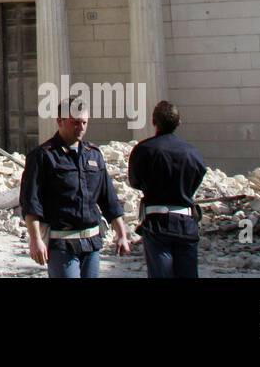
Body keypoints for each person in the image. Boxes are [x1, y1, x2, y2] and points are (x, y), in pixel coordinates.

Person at [19, 101, 131, 277]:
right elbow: (31, 203)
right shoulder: (43, 156)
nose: (81, 127)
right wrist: (35, 240)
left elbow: (109, 199)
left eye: (84, 123)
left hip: (92, 243)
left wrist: (122, 234)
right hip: (61, 244)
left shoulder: (93, 154)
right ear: (60, 121)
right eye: (75, 122)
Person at [128, 100, 207, 278]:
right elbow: (197, 179)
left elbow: (135, 182)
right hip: (186, 222)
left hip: (157, 223)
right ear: (179, 122)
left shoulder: (143, 150)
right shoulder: (192, 152)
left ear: (154, 121)